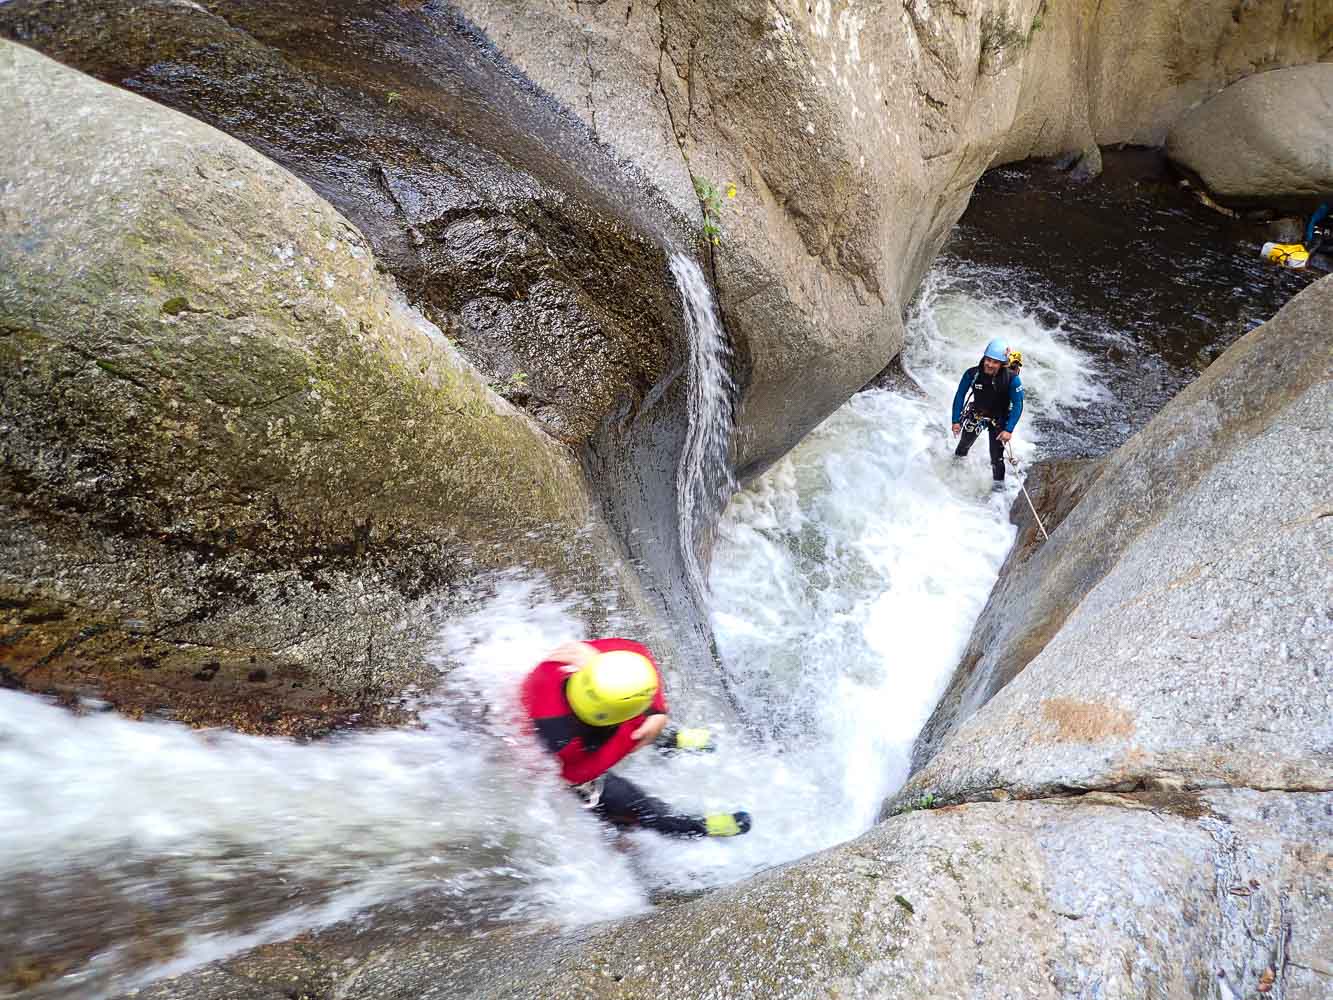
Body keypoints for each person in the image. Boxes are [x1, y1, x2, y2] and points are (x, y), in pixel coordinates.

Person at [521, 637, 751, 838]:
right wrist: (656, 712)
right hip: (569, 771)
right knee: (644, 810)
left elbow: (637, 654)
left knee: (641, 718)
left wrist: (602, 666)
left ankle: (667, 739)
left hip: (579, 728)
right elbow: (577, 772)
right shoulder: (566, 747)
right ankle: (699, 827)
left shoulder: (557, 666)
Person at [951, 337, 1025, 490]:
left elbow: (1018, 404)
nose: (990, 364)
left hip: (999, 420)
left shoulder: (1012, 380)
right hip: (977, 414)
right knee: (963, 446)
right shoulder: (972, 374)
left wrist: (1008, 429)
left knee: (996, 459)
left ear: (1002, 364)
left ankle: (998, 492)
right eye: (988, 360)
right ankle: (953, 473)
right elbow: (960, 395)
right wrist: (955, 420)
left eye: (995, 362)